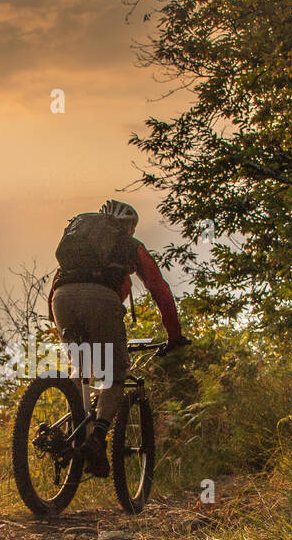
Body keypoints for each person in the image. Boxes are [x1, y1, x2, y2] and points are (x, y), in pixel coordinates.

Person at [48, 199, 188, 477]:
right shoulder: (129, 244)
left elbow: (55, 288)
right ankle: (97, 439)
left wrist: (61, 325)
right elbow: (158, 287)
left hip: (62, 300)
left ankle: (73, 433)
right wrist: (174, 335)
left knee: (80, 369)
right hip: (100, 300)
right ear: (128, 226)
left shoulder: (80, 244)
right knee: (115, 373)